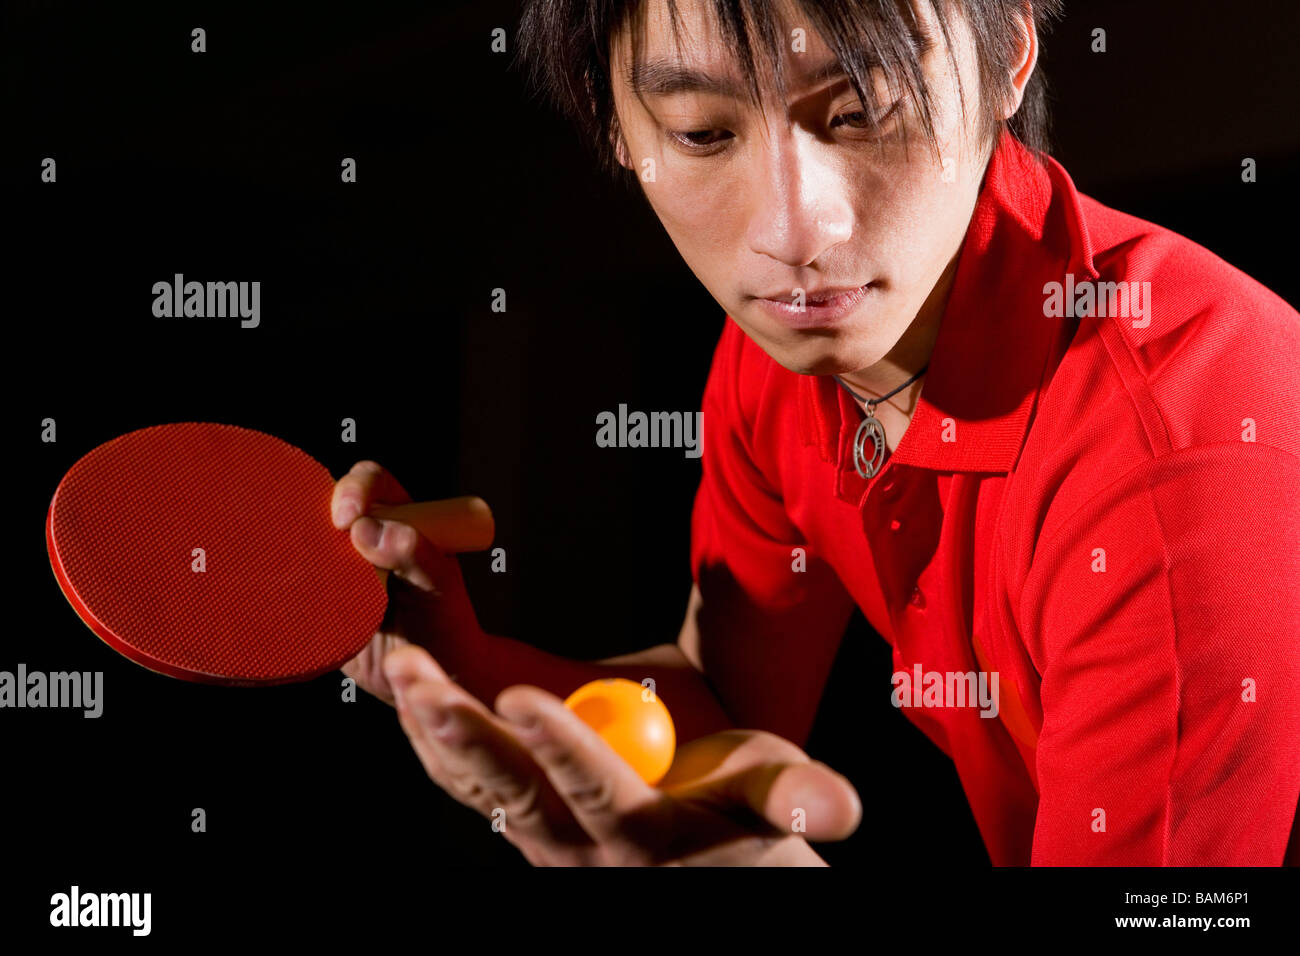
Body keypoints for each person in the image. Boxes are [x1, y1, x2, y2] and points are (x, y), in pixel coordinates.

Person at [331, 0, 1300, 866]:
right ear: (615, 124)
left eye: (860, 108)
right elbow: (721, 709)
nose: (794, 233)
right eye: (703, 132)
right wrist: (460, 666)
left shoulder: (1178, 456)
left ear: (1009, 53)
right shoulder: (783, 353)